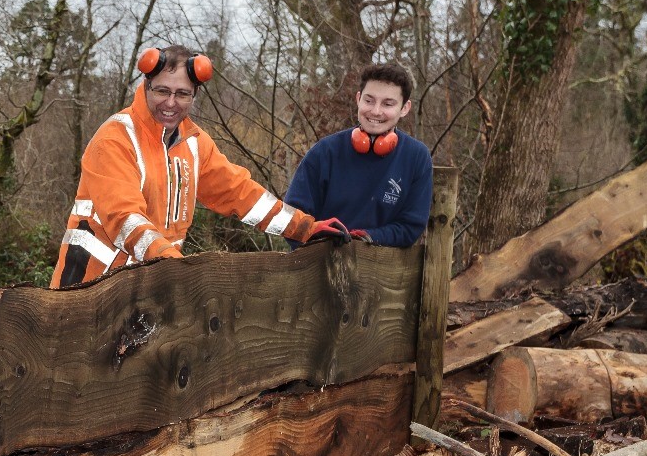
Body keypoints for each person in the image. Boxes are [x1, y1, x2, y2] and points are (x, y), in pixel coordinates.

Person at [51, 45, 348, 288]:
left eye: (182, 94)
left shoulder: (194, 144)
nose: (171, 102)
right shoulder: (115, 138)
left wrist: (305, 227)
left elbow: (240, 193)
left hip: (148, 286)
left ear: (194, 96)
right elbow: (123, 217)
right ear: (145, 87)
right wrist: (174, 266)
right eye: (161, 91)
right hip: (87, 285)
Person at [283, 63, 433, 248]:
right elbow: (291, 219)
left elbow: (410, 227)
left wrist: (363, 238)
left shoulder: (416, 156)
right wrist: (323, 239)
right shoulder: (324, 152)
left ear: (404, 108)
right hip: (318, 264)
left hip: (384, 271)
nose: (376, 111)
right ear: (358, 99)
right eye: (369, 100)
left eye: (388, 103)